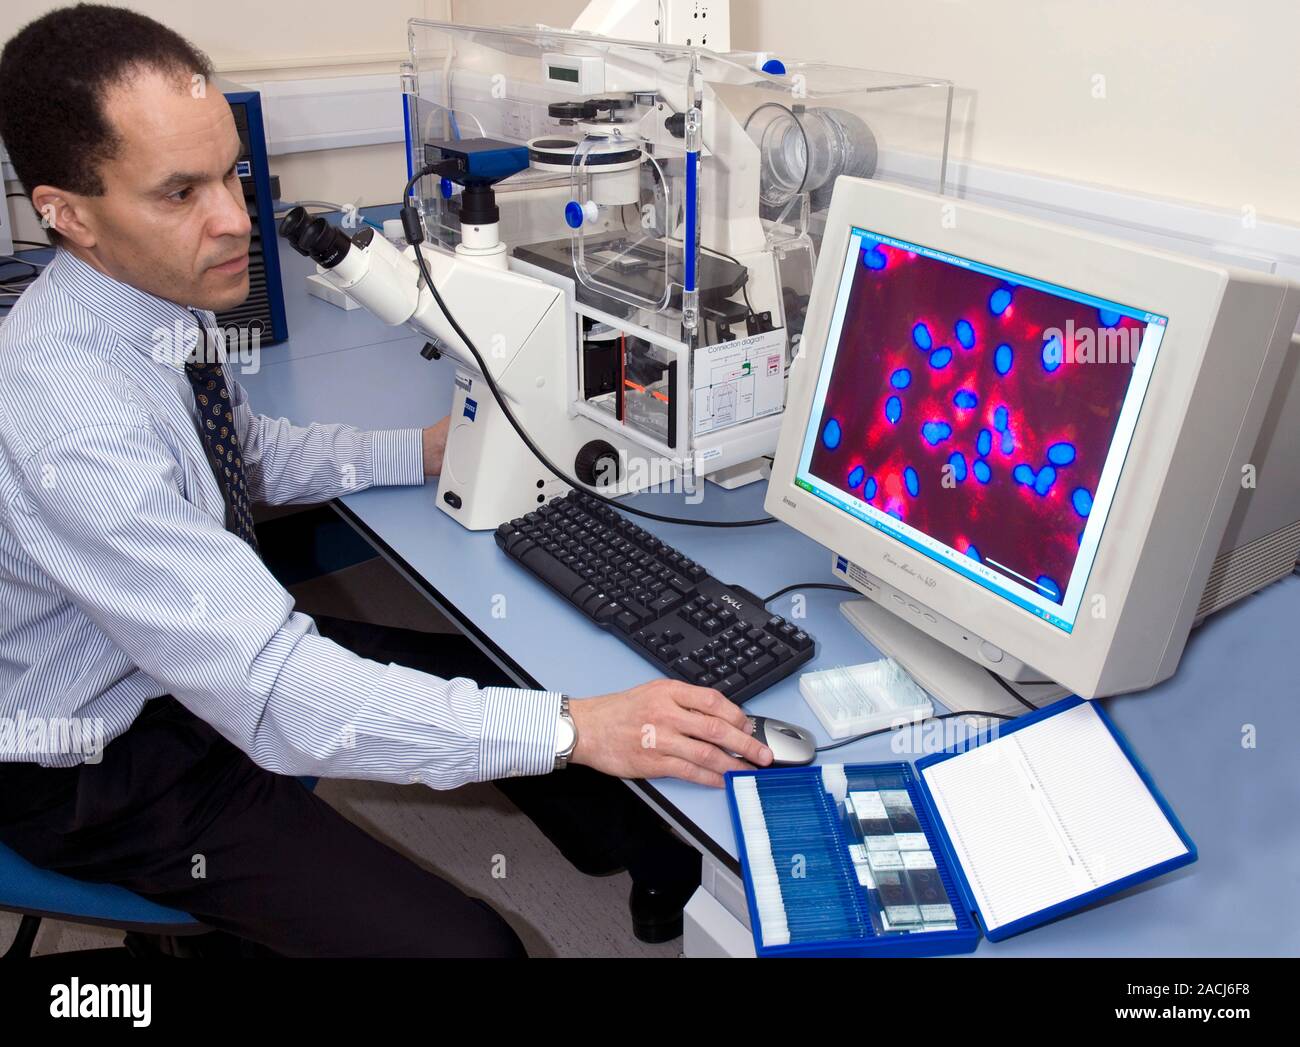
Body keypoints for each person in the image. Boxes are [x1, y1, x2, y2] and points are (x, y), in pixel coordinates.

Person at [0, 4, 771, 958]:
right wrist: (579, 730)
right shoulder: (68, 414)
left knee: (506, 679)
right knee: (477, 943)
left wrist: (424, 451)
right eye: (179, 193)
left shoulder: (140, 296)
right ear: (65, 212)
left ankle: (655, 868)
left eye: (233, 173)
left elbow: (240, 452)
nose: (236, 220)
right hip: (105, 757)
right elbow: (277, 690)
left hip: (187, 648)